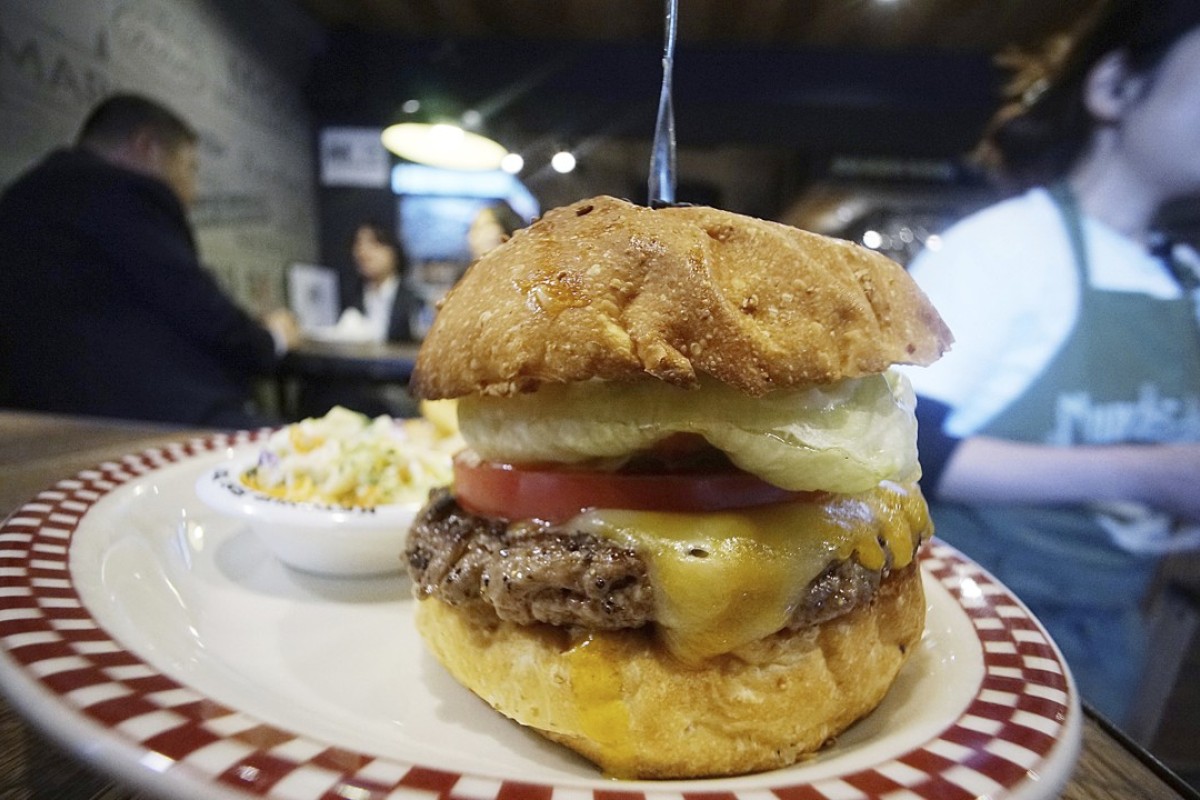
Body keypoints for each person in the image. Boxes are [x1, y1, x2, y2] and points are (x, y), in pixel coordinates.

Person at [904, 0, 1200, 726]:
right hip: (984, 621)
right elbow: (910, 444)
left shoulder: (1185, 275)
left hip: (1113, 622)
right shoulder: (1006, 249)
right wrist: (1149, 472)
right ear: (1115, 89)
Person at [0, 93, 300, 429]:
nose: (193, 192)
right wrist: (273, 338)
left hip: (34, 422)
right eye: (189, 168)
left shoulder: (24, 198)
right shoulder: (121, 195)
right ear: (147, 147)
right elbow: (203, 313)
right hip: (146, 425)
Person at [341, 221, 420, 344]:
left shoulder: (413, 299)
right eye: (358, 244)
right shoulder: (350, 295)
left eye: (373, 243)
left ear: (393, 251)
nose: (363, 252)